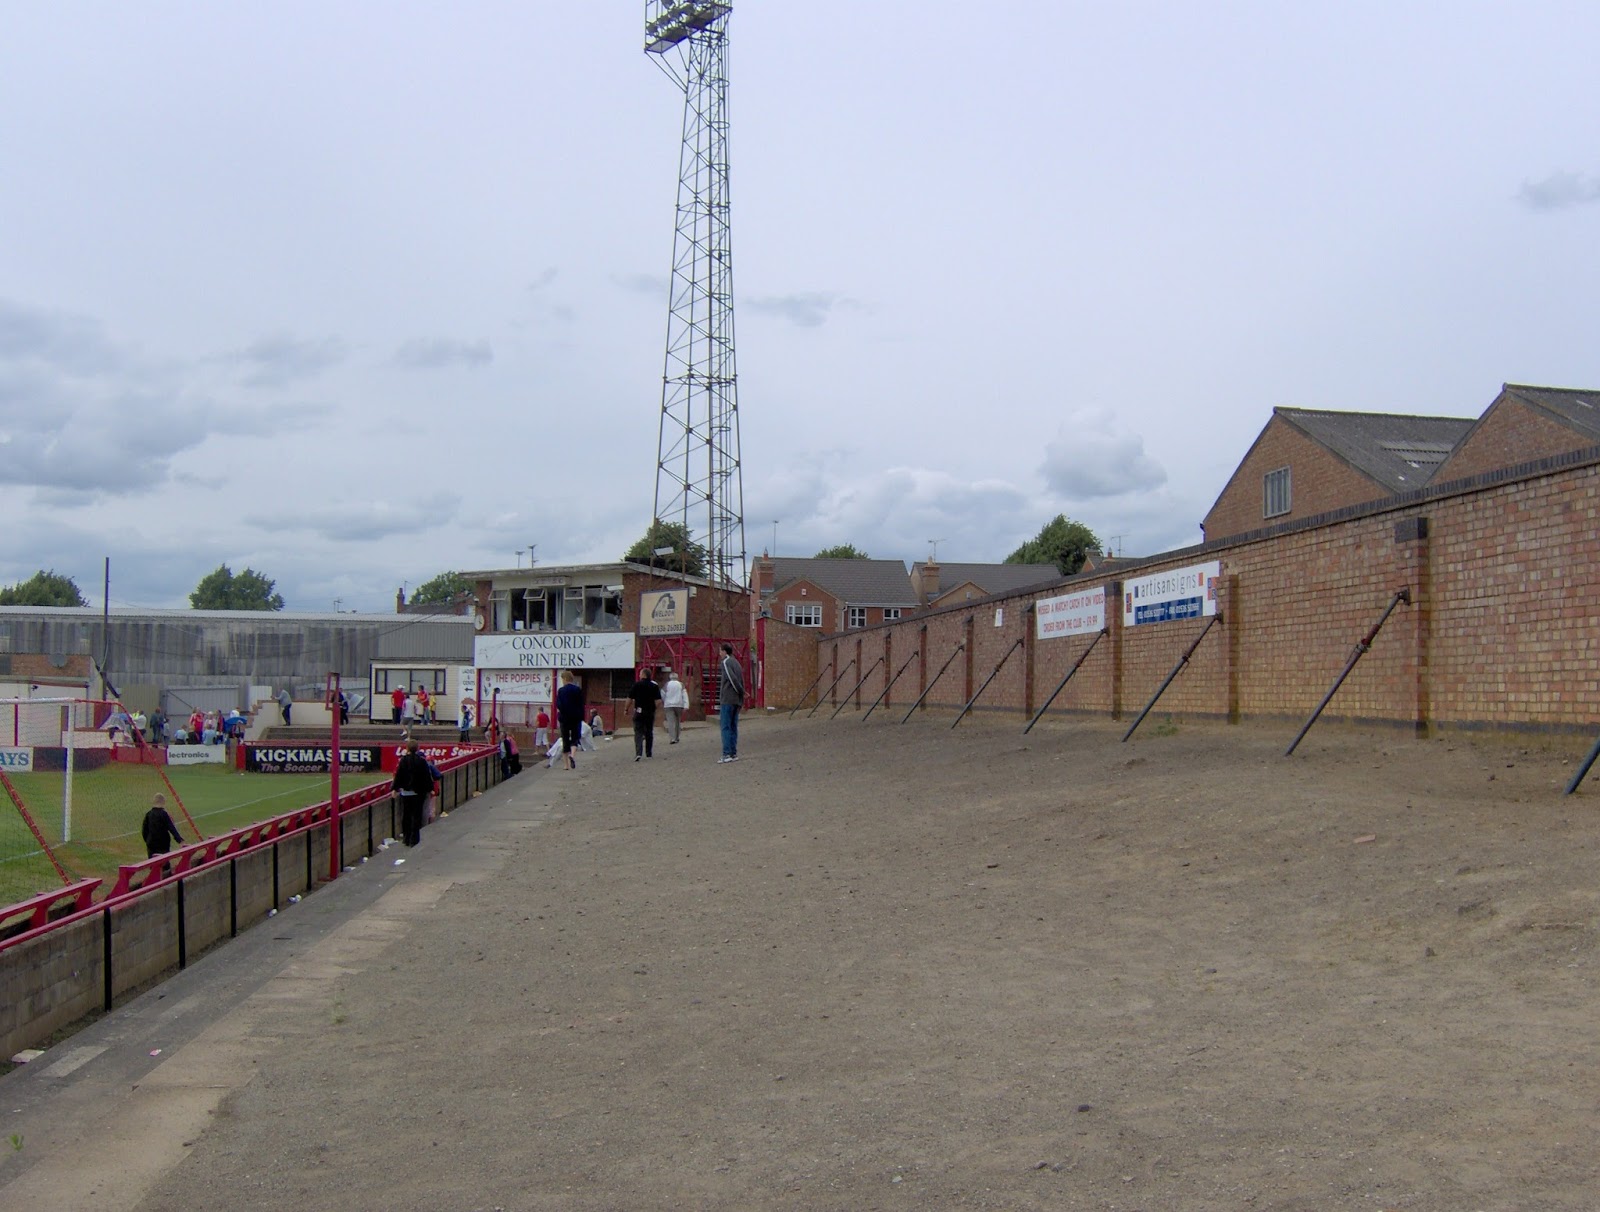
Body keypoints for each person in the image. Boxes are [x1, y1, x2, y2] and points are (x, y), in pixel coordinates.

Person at [392, 739, 432, 847]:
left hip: (406, 793)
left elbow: (399, 775)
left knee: (407, 815)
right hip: (419, 793)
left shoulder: (403, 761)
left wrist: (395, 789)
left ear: (407, 748)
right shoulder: (422, 761)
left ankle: (406, 837)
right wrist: (429, 788)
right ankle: (415, 838)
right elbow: (426, 777)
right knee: (417, 815)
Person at [141, 792, 184, 875]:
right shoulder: (164, 814)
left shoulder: (149, 814)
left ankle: (154, 880)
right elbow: (171, 828)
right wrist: (179, 840)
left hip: (151, 843)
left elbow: (144, 830)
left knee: (153, 864)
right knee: (165, 863)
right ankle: (166, 879)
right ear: (163, 802)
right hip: (163, 843)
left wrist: (147, 840)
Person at [718, 643, 744, 763]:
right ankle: (733, 753)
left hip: (728, 699)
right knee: (733, 727)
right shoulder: (737, 663)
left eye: (720, 651)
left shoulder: (726, 662)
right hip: (736, 700)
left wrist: (740, 691)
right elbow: (741, 679)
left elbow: (731, 678)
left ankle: (726, 753)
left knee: (725, 727)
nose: (719, 653)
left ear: (724, 651)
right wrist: (741, 696)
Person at [555, 670, 585, 771]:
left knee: (565, 739)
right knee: (575, 738)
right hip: (576, 718)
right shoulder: (578, 690)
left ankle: (566, 765)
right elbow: (581, 704)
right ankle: (572, 754)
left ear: (565, 679)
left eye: (562, 679)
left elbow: (558, 705)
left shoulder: (561, 691)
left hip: (564, 718)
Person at [629, 666, 661, 761]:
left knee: (638, 732)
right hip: (650, 712)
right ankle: (649, 753)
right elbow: (659, 701)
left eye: (640, 673)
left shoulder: (636, 685)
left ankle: (638, 753)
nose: (639, 675)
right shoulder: (654, 686)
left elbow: (629, 698)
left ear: (643, 675)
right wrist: (654, 708)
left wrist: (626, 709)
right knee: (649, 732)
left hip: (639, 711)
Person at [661, 669, 689, 744]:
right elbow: (684, 695)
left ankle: (672, 738)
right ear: (677, 677)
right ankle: (677, 737)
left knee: (671, 722)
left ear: (670, 677)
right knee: (678, 721)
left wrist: (665, 701)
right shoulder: (681, 684)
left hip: (668, 705)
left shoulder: (667, 684)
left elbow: (662, 694)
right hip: (679, 705)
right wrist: (686, 705)